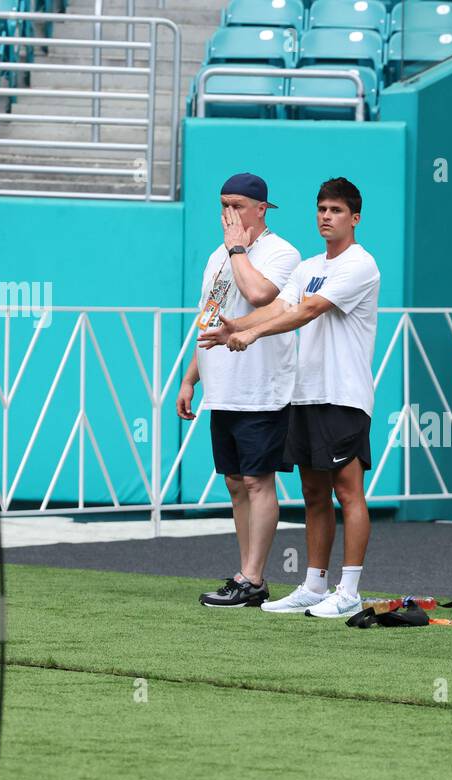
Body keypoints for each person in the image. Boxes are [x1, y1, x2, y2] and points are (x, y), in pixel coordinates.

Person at [199, 177, 380, 619]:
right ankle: (315, 585)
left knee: (348, 492)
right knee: (313, 492)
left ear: (354, 218)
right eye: (321, 209)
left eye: (336, 211)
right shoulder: (310, 265)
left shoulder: (360, 264)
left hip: (344, 394)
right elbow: (278, 306)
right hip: (305, 394)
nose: (326, 217)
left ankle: (349, 589)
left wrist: (253, 332)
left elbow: (307, 310)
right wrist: (234, 329)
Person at [179, 173, 300, 609]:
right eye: (223, 205)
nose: (228, 214)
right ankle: (249, 574)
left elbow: (260, 294)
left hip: (263, 388)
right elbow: (210, 319)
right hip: (223, 388)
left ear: (261, 209)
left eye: (237, 205)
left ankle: (252, 576)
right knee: (234, 482)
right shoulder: (216, 256)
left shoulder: (282, 252)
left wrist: (237, 249)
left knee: (256, 479)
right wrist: (191, 376)